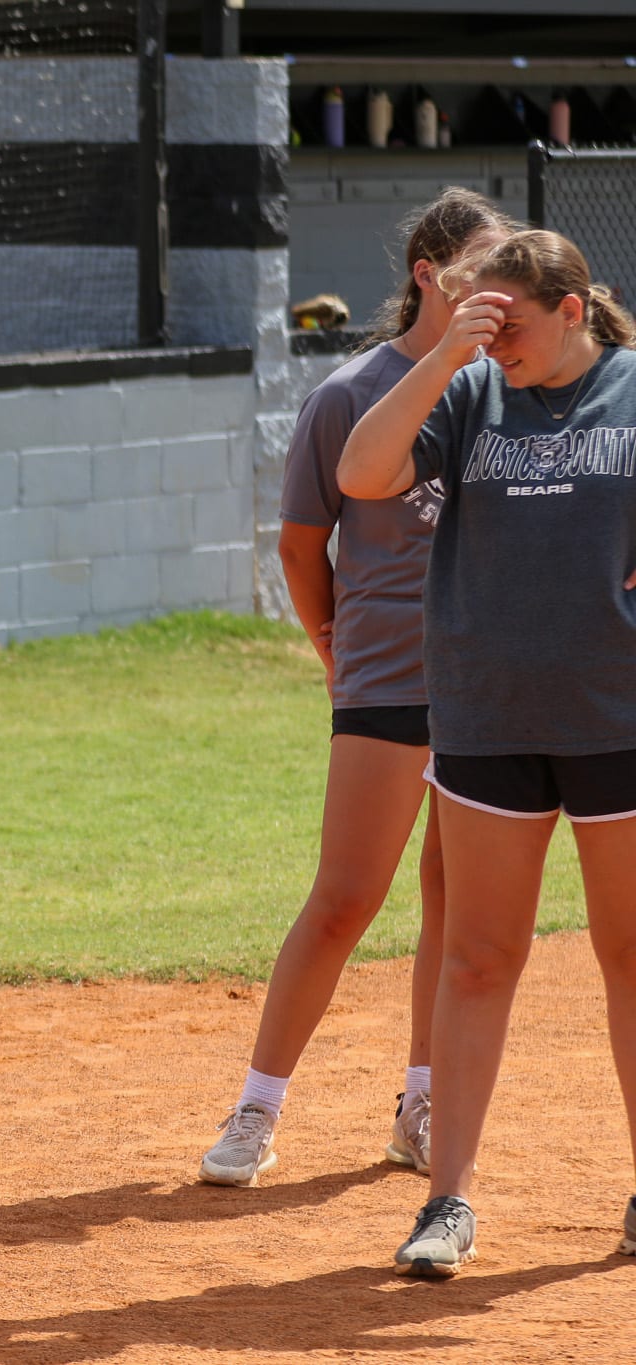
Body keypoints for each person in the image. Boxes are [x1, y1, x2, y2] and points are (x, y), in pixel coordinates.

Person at [337, 228, 636, 1275]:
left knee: (629, 957)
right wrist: (443, 356)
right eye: (480, 318)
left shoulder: (631, 390)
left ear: (570, 309)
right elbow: (361, 472)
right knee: (475, 959)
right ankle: (445, 1201)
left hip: (618, 720)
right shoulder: (466, 394)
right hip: (485, 715)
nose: (493, 338)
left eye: (508, 321)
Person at [199, 190, 510, 1187]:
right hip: (384, 674)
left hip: (484, 681)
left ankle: (419, 1107)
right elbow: (300, 546)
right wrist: (332, 643)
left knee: (452, 901)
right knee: (342, 900)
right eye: (479, 263)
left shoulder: (508, 388)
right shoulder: (349, 392)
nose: (494, 285)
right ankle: (254, 1109)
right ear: (426, 270)